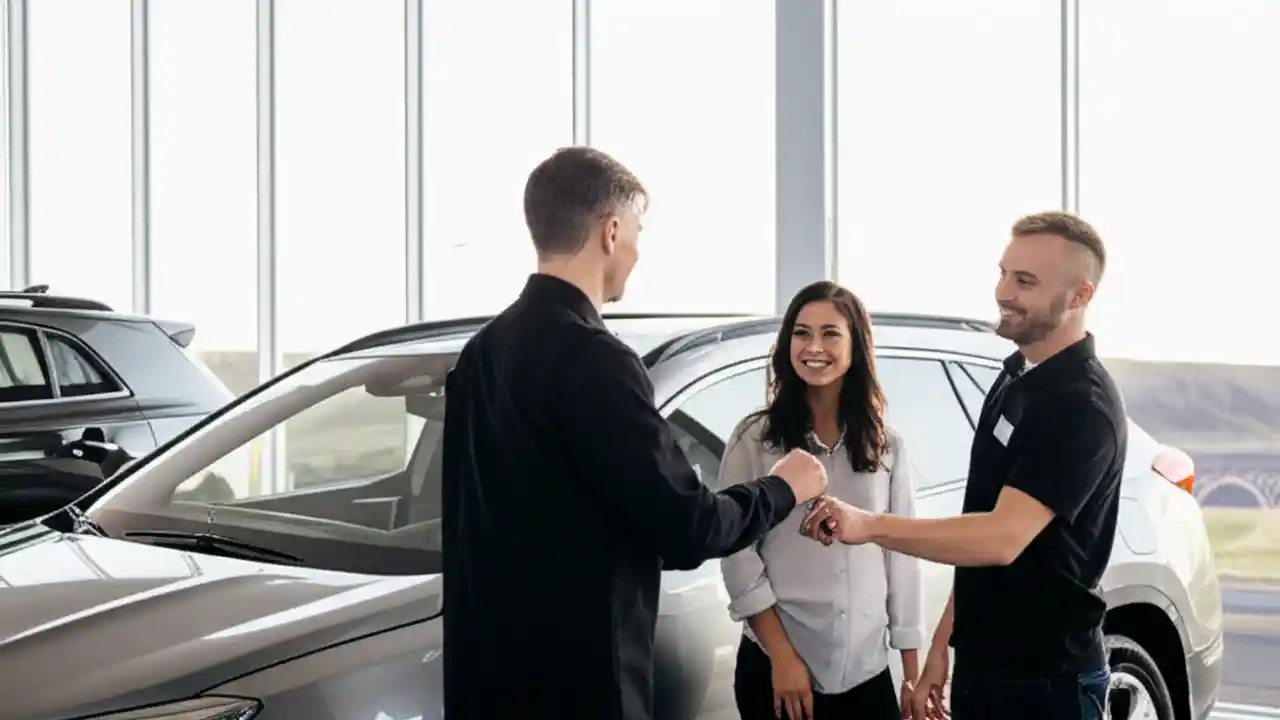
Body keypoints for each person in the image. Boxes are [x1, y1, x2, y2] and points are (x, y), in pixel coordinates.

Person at [440, 146, 829, 720]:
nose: (637, 251)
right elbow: (687, 527)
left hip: (485, 687)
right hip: (578, 690)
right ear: (611, 231)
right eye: (637, 232)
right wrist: (781, 488)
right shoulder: (595, 358)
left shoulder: (481, 354)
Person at [798, 211, 1126, 720]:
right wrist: (942, 646)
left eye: (1025, 281)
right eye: (1003, 273)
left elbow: (999, 539)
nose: (1003, 292)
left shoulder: (1081, 405)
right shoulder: (1014, 377)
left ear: (1081, 296)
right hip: (984, 670)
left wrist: (868, 524)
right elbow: (980, 526)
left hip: (1046, 684)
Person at [719, 280, 924, 720]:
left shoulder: (888, 448)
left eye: (830, 333)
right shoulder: (755, 440)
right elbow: (738, 557)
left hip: (867, 674)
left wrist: (909, 672)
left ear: (856, 346)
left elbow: (902, 559)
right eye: (801, 332)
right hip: (780, 671)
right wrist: (782, 657)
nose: (814, 346)